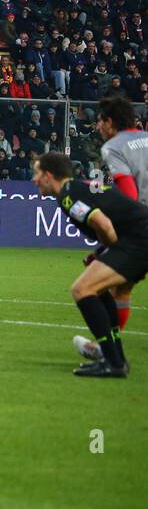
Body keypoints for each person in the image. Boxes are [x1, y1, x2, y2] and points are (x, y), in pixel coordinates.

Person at [33, 151, 148, 378]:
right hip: (139, 237)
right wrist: (101, 253)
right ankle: (116, 359)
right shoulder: (76, 188)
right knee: (99, 289)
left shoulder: (68, 194)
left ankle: (113, 362)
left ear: (48, 175)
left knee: (82, 289)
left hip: (140, 240)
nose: (34, 180)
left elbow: (103, 224)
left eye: (37, 174)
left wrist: (109, 251)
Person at [75, 96, 148, 364]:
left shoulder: (114, 147)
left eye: (99, 121)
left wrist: (108, 243)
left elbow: (128, 194)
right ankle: (106, 348)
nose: (97, 127)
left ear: (109, 122)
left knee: (92, 288)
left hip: (141, 227)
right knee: (122, 288)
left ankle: (106, 350)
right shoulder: (145, 138)